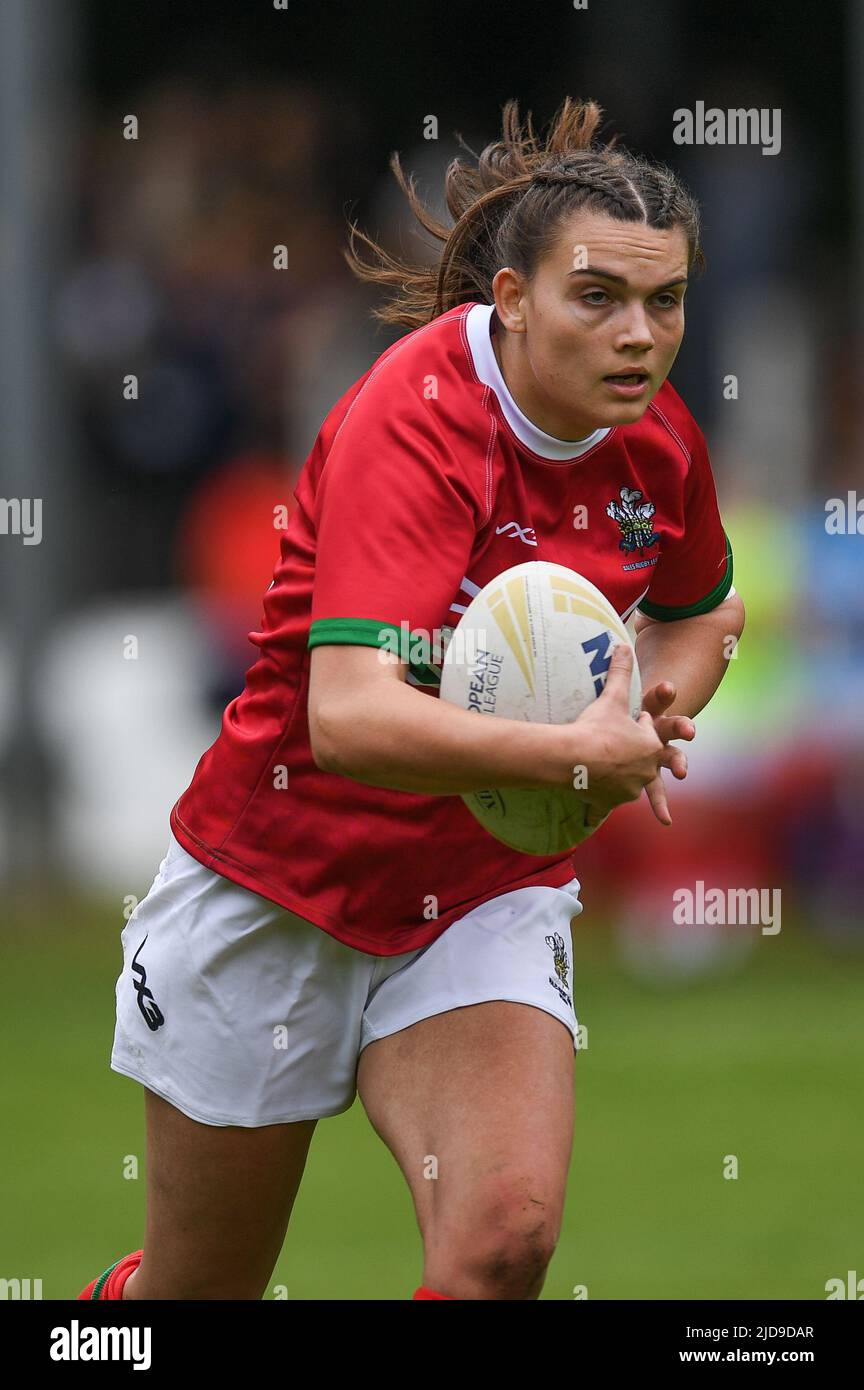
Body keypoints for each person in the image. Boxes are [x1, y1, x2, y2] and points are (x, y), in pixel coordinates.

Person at [78, 96, 745, 1302]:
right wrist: (572, 762)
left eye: (668, 300)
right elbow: (350, 719)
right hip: (279, 880)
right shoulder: (418, 419)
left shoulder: (660, 442)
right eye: (598, 296)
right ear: (510, 299)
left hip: (477, 890)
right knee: (192, 1295)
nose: (640, 334)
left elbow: (705, 608)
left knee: (503, 1241)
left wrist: (651, 709)